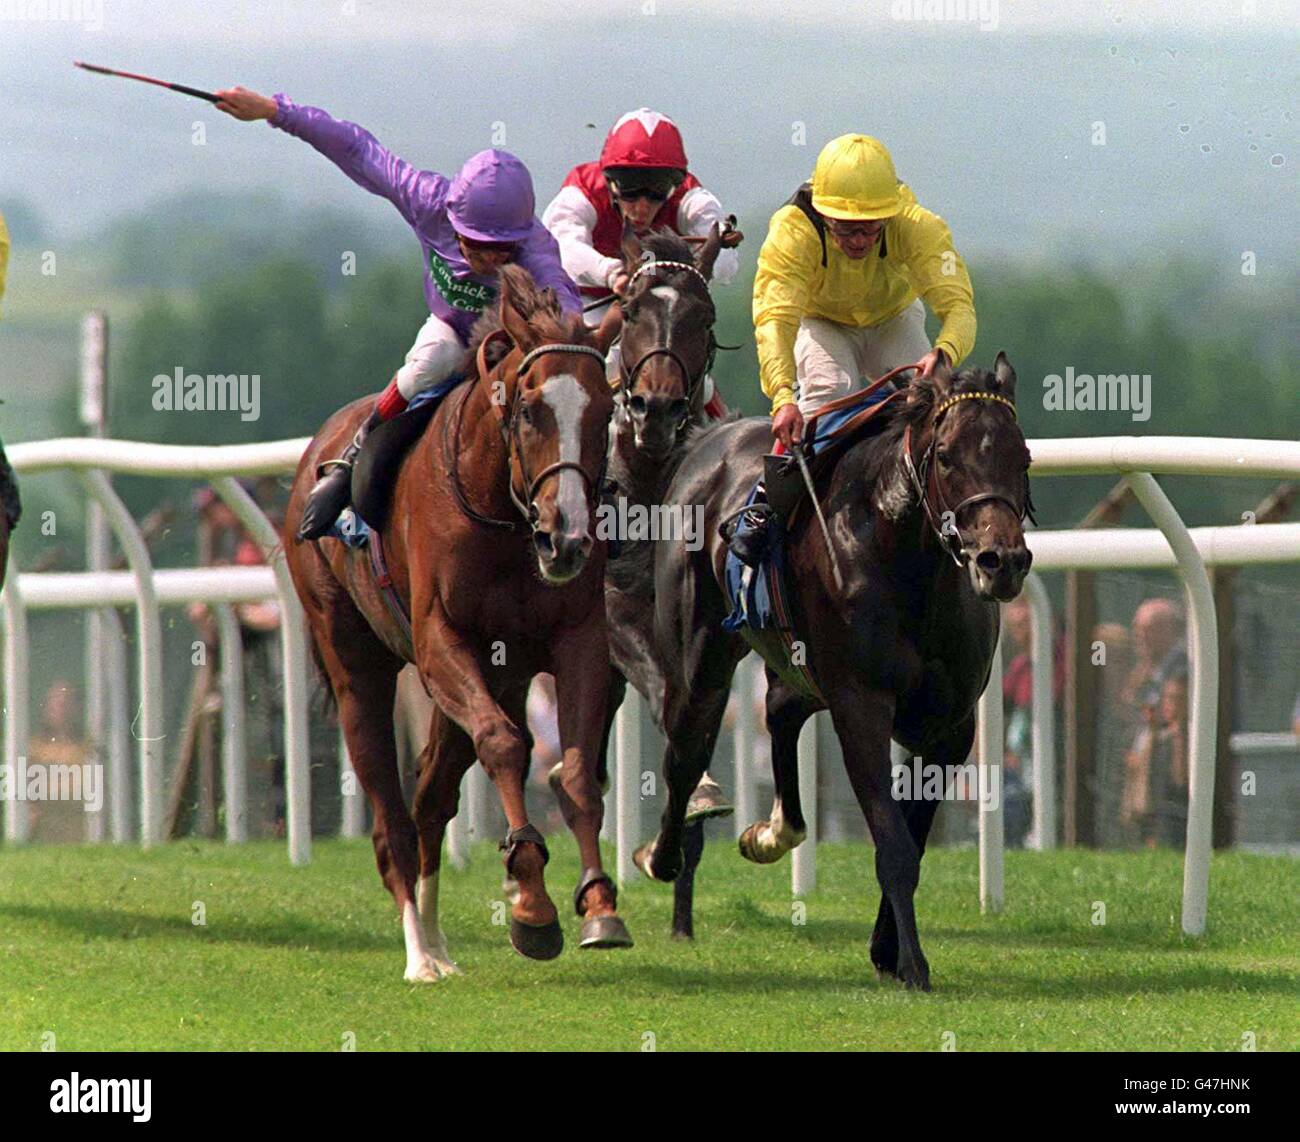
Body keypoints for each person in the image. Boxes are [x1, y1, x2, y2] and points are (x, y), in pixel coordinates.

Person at [213, 86, 583, 540]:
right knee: (428, 363)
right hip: (453, 332)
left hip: (513, 347)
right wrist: (273, 111)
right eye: (474, 245)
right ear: (452, 219)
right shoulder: (427, 200)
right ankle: (352, 463)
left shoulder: (537, 251)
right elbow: (356, 148)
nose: (487, 259)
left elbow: (568, 309)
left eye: (501, 249)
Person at [729, 134, 976, 565]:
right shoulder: (793, 231)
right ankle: (768, 506)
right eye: (843, 227)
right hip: (821, 322)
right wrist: (784, 398)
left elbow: (959, 306)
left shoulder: (917, 225)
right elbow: (775, 320)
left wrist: (945, 353)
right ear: (822, 214)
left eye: (871, 227)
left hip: (892, 317)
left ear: (891, 212)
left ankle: (960, 513)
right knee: (831, 392)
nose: (858, 240)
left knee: (934, 404)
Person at [542, 108, 742, 412]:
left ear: (675, 183)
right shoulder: (582, 189)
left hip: (657, 305)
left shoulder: (693, 198)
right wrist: (612, 274)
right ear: (609, 181)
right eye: (630, 191)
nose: (642, 206)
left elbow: (727, 266)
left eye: (656, 191)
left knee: (698, 388)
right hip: (590, 298)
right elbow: (562, 246)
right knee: (604, 366)